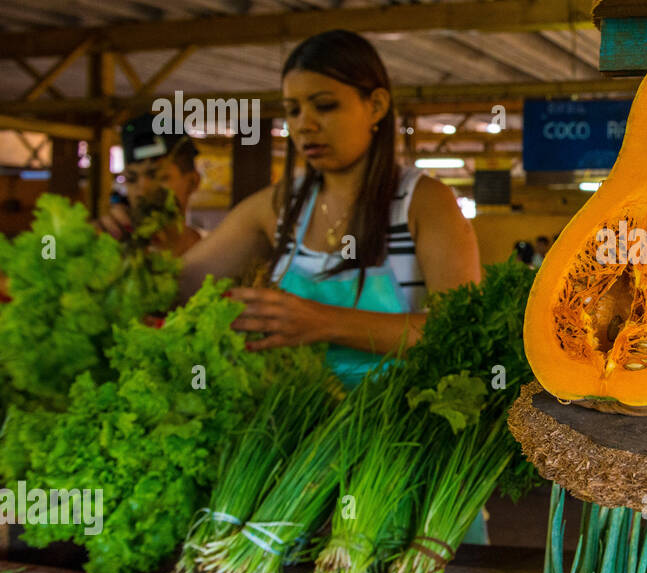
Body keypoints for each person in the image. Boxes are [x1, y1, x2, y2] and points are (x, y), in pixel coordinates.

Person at [176, 29, 481, 384]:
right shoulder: (278, 207)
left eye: (325, 106)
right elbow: (180, 284)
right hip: (296, 429)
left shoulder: (424, 204)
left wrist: (324, 322)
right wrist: (123, 247)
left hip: (401, 427)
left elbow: (461, 333)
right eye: (293, 110)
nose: (305, 124)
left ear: (377, 106)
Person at [98, 112, 205, 257]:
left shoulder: (222, 256)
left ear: (193, 182)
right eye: (131, 179)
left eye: (157, 176)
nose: (142, 191)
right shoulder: (113, 255)